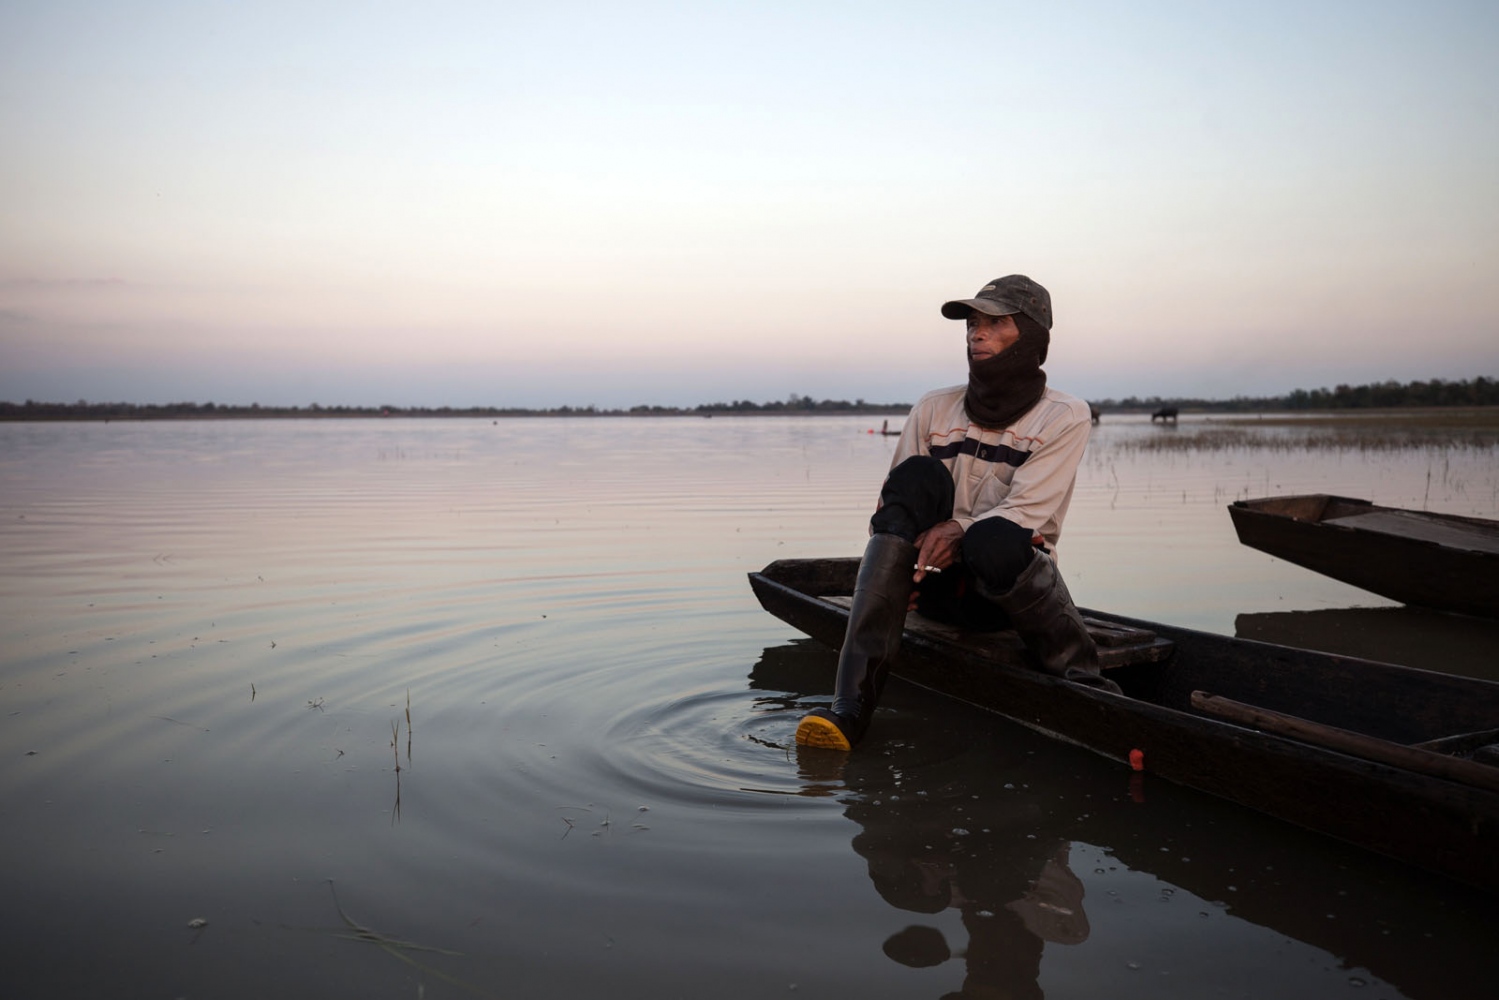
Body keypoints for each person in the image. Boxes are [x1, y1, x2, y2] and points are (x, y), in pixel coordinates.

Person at [796, 274, 1120, 751]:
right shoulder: (934, 408)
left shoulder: (1064, 415)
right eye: (972, 323)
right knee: (916, 478)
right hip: (931, 589)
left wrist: (955, 531)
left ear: (1030, 336)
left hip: (1003, 599)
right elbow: (893, 511)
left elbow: (1026, 513)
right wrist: (900, 573)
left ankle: (1084, 686)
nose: (976, 333)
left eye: (995, 323)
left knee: (995, 537)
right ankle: (850, 710)